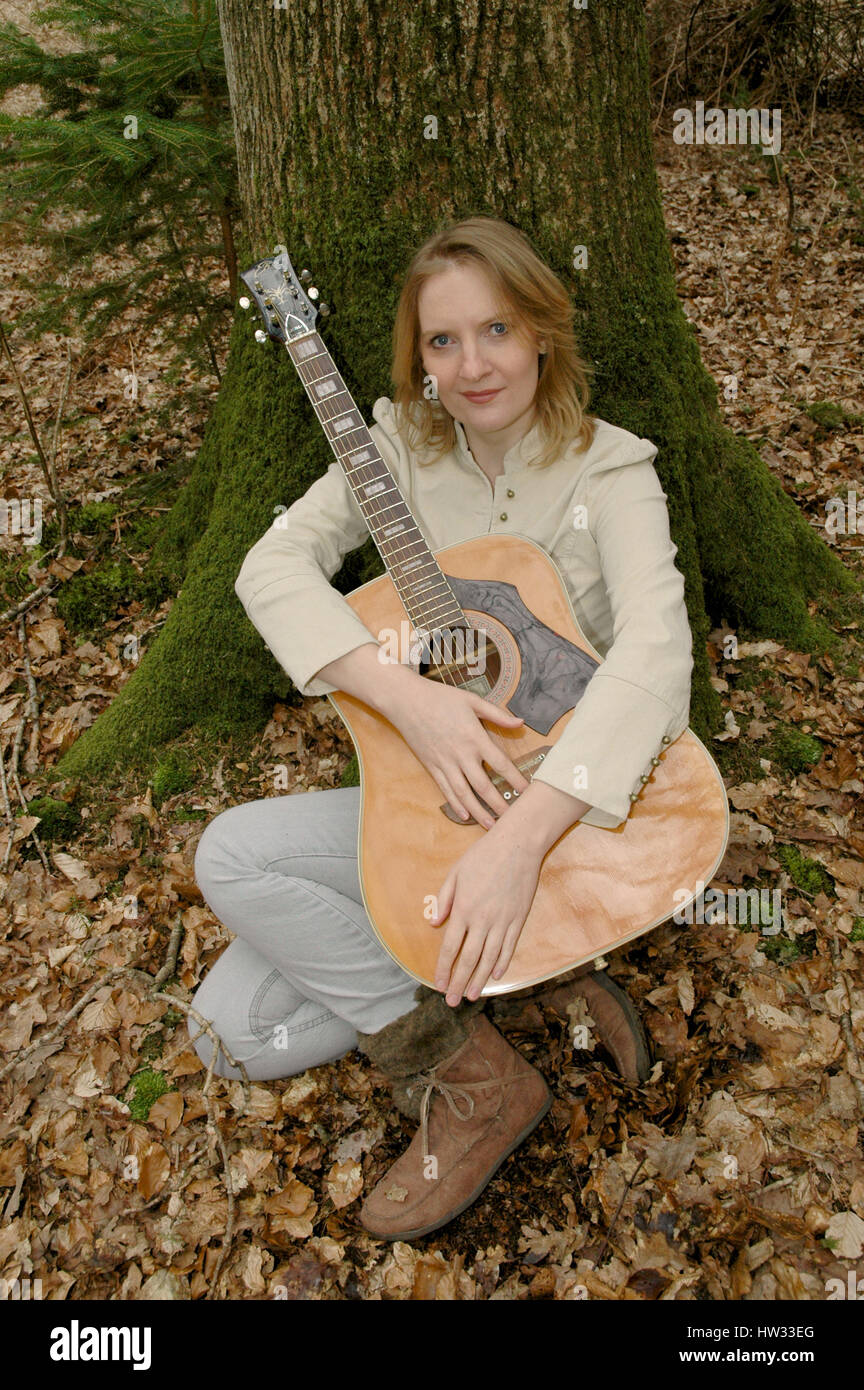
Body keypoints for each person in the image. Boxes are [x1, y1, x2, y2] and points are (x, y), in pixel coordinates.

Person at [191, 216, 693, 1241]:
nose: (473, 366)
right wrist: (409, 699)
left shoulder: (612, 471)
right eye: (442, 341)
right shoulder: (395, 449)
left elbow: (658, 657)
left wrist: (517, 845)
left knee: (276, 939)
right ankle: (480, 1044)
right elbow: (270, 570)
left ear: (543, 331)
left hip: (568, 811)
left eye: (497, 329)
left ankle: (499, 958)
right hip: (435, 804)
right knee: (228, 1030)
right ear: (415, 356)